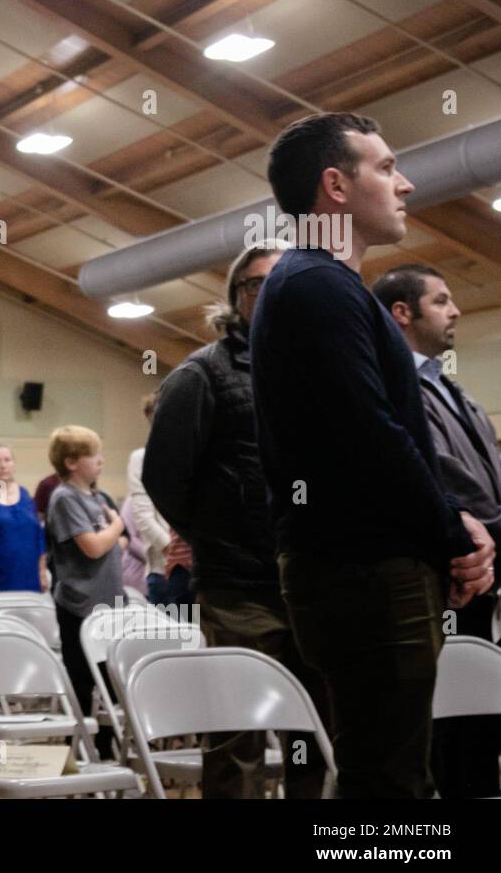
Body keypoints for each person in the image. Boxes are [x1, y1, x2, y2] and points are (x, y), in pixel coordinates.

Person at [251, 112, 495, 798]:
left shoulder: (323, 284)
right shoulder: (314, 284)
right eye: (385, 168)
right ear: (335, 185)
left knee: (391, 772)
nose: (406, 184)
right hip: (363, 572)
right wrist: (452, 533)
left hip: (366, 566)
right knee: (390, 781)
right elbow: (372, 439)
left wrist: (446, 531)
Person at [144, 242, 325, 799]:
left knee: (313, 738)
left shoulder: (320, 371)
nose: (271, 293)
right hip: (240, 588)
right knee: (237, 742)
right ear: (236, 298)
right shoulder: (202, 374)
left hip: (316, 580)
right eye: (256, 284)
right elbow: (163, 475)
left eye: (283, 282)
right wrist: (214, 536)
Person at [373, 264, 501, 798]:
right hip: (448, 568)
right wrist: (489, 535)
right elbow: (442, 477)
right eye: (441, 300)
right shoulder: (391, 385)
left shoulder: (448, 385)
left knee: (478, 732)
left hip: (482, 566)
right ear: (402, 313)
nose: (455, 310)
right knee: (449, 738)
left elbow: (490, 466)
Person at [45, 425, 124, 756]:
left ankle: (106, 753)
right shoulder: (65, 498)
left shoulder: (101, 497)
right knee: (82, 682)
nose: (101, 461)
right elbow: (94, 546)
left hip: (110, 605)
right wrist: (116, 525)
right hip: (80, 607)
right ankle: (75, 753)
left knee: (110, 685)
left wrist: (113, 535)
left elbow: (118, 544)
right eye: (94, 456)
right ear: (73, 462)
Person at [0, 445, 46, 593]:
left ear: (14, 464)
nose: (3, 465)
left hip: (30, 577)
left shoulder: (24, 493)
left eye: (7, 460)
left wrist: (42, 572)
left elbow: (38, 535)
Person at [126, 393, 168, 602]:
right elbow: (144, 518)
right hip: (164, 569)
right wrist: (174, 550)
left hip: (201, 568)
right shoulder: (140, 458)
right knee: (172, 634)